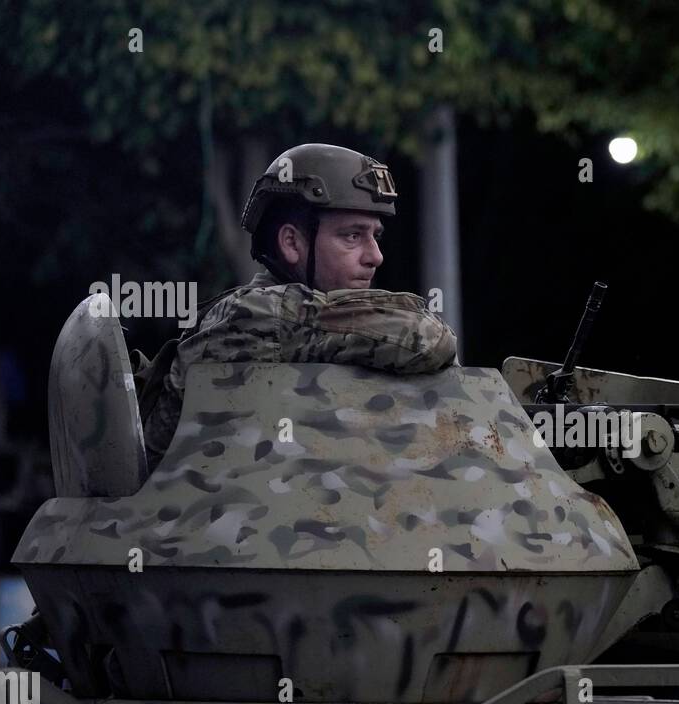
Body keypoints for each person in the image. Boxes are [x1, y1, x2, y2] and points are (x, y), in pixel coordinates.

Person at [137, 143, 457, 470]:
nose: (375, 256)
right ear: (292, 243)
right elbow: (425, 338)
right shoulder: (253, 316)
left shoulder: (299, 328)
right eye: (352, 236)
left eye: (375, 236)